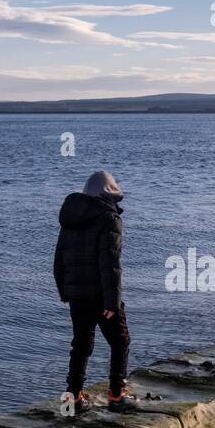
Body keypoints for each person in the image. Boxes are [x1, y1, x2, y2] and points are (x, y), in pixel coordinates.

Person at [54, 170, 133, 414]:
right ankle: (117, 395)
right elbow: (110, 265)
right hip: (101, 294)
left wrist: (66, 292)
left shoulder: (70, 217)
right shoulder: (109, 218)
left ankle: (72, 400)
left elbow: (58, 261)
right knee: (120, 342)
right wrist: (112, 301)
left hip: (77, 296)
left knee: (80, 345)